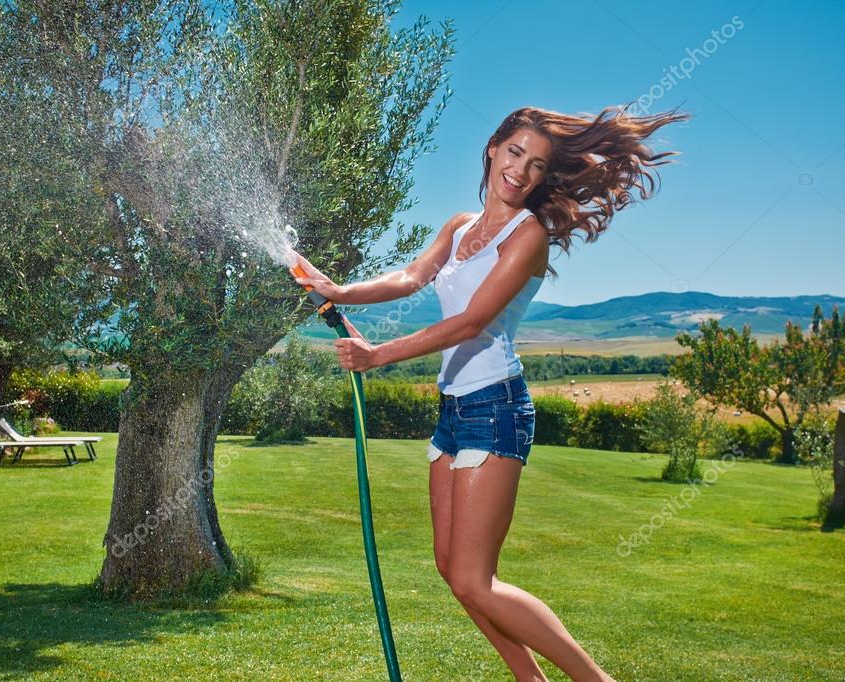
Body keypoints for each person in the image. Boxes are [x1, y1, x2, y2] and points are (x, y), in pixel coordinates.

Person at [289, 104, 688, 682]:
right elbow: (410, 278)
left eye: (537, 165)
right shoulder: (458, 227)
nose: (521, 170)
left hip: (495, 410)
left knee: (478, 578)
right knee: (452, 571)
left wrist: (378, 356)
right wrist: (340, 290)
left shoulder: (527, 236)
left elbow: (471, 323)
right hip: (454, 412)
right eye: (515, 153)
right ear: (493, 149)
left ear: (543, 177)